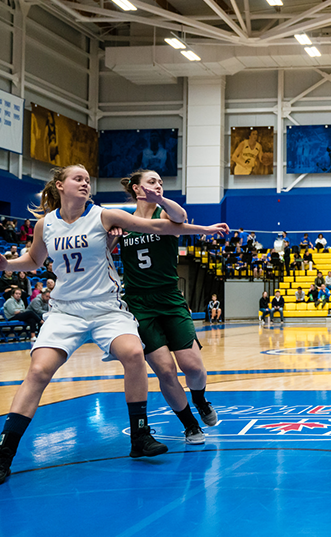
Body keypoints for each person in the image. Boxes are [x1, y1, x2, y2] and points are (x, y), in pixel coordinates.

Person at [0, 164, 228, 486]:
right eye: (78, 179)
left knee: (142, 356)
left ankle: (142, 435)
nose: (85, 184)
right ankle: (4, 452)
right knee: (38, 372)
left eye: (88, 180)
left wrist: (203, 230)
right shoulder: (45, 225)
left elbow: (164, 226)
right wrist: (8, 264)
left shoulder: (106, 216)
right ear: (60, 185)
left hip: (109, 307)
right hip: (67, 310)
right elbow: (34, 261)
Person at [115, 169, 222, 445]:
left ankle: (200, 399)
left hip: (170, 299)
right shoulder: (121, 222)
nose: (158, 185)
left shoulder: (164, 215)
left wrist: (161, 199)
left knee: (193, 368)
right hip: (139, 303)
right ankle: (189, 425)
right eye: (152, 182)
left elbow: (180, 217)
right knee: (164, 370)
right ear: (137, 189)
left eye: (161, 182)